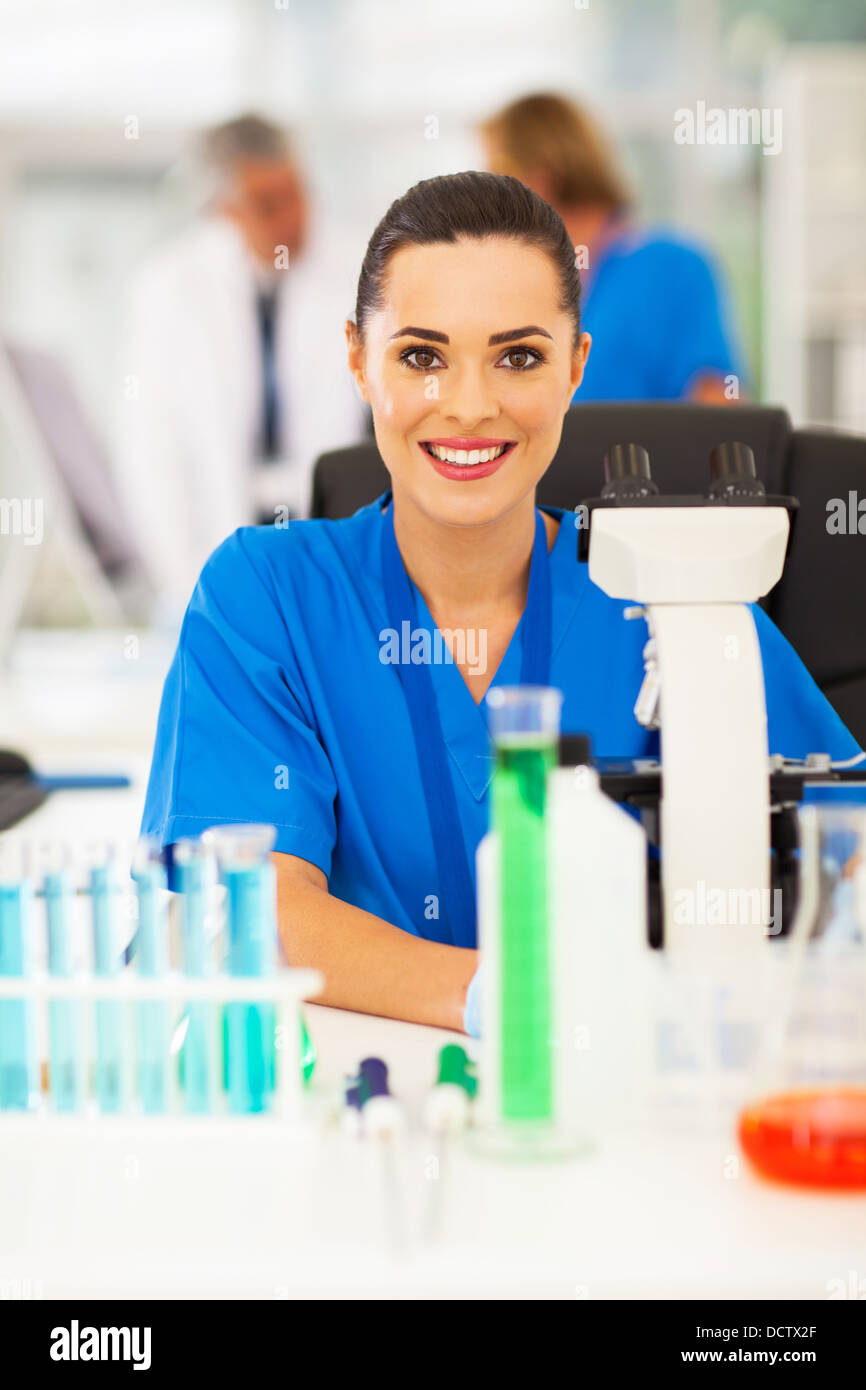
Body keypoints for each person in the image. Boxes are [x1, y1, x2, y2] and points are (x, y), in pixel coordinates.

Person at [140, 171, 863, 1035]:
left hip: (639, 1112)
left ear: (574, 368)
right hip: (364, 1120)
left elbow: (846, 859)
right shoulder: (267, 597)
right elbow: (237, 904)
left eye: (518, 356)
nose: (471, 406)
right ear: (358, 362)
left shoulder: (683, 604)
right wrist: (513, 1000)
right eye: (422, 356)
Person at [114, 114, 367, 621]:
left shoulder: (360, 268)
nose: (292, 218)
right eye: (266, 205)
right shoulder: (171, 288)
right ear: (222, 209)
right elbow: (152, 453)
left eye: (296, 194)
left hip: (332, 551)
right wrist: (187, 586)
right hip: (215, 552)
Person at [482, 93, 744, 405]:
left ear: (538, 177)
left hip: (644, 455)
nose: (488, 198)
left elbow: (718, 406)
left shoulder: (672, 267)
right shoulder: (512, 284)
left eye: (496, 173)